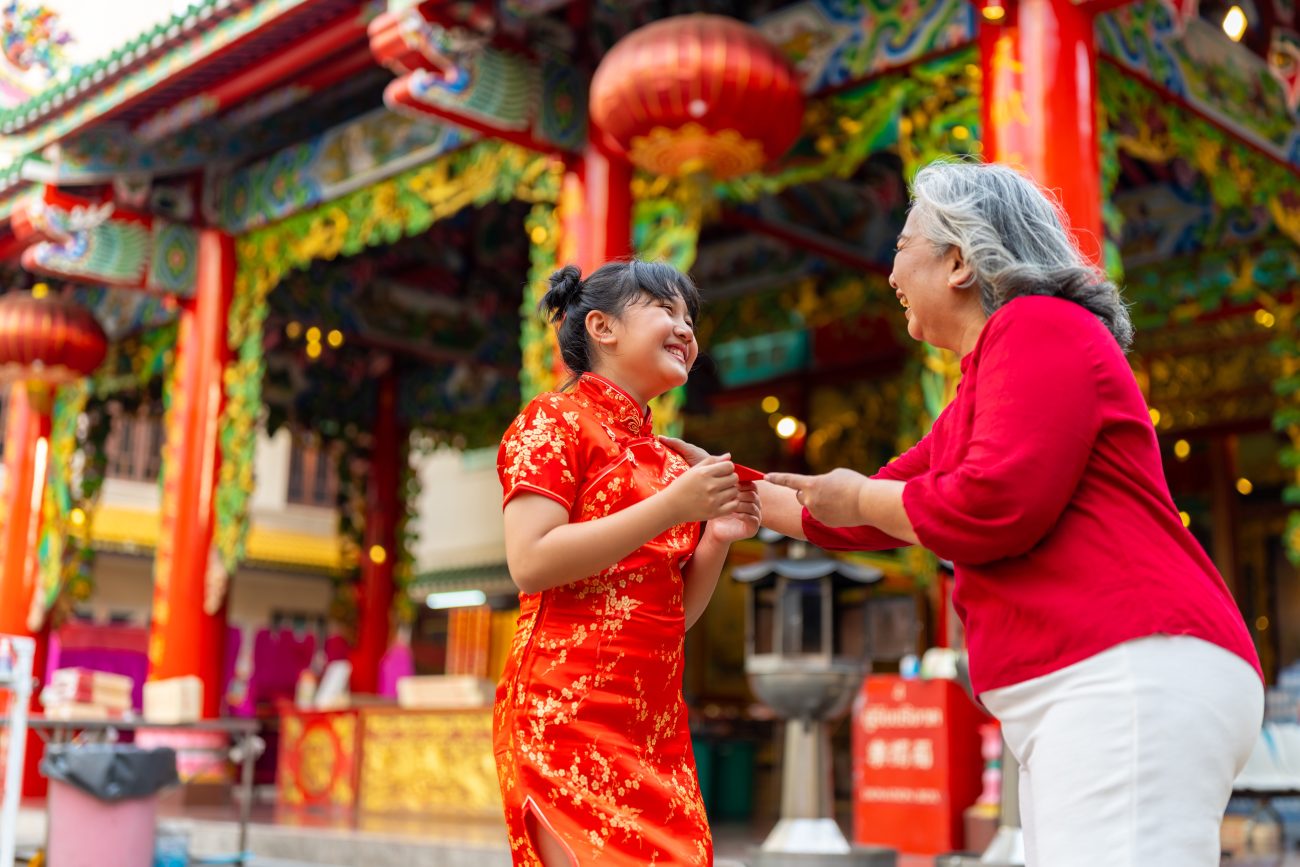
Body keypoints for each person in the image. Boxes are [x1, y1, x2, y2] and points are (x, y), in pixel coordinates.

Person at [669, 160, 1263, 867]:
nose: (889, 275)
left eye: (900, 248)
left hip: (1126, 665)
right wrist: (701, 480)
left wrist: (860, 498)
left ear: (957, 261)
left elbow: (990, 503)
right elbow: (865, 507)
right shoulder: (990, 375)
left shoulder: (1038, 324)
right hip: (1105, 677)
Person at [494, 260, 760, 866]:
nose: (685, 329)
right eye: (666, 310)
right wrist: (674, 507)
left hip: (656, 728)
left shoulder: (669, 463)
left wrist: (715, 538)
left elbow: (672, 616)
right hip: (564, 713)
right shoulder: (552, 421)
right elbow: (531, 561)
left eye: (689, 319)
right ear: (601, 327)